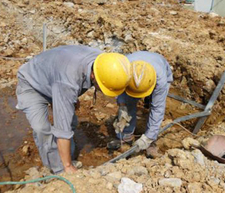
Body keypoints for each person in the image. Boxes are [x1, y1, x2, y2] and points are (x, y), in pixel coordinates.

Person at [16, 45, 131, 174]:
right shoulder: (67, 82)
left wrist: (72, 96)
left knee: (71, 121)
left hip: (55, 77)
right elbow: (63, 131)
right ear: (94, 76)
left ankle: (67, 154)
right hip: (33, 84)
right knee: (42, 129)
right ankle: (59, 169)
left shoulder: (104, 62)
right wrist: (68, 166)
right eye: (102, 87)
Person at [114, 51, 173, 151]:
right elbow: (119, 89)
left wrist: (149, 137)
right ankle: (126, 135)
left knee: (153, 104)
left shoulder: (161, 81)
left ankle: (150, 141)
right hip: (131, 70)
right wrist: (122, 105)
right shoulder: (123, 70)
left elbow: (157, 108)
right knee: (129, 102)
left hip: (159, 66)